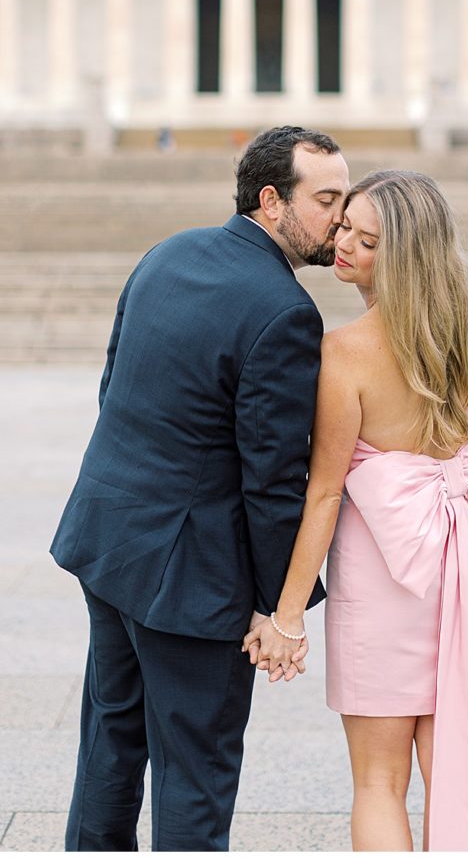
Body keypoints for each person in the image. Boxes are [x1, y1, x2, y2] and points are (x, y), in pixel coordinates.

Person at [49, 126, 351, 850]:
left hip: (109, 544)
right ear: (271, 200)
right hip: (190, 582)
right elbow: (274, 480)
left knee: (110, 746)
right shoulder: (285, 311)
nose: (340, 219)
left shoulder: (168, 252)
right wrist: (281, 610)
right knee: (196, 777)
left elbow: (113, 384)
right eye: (327, 200)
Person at [244, 170, 468, 852]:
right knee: (454, 771)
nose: (342, 245)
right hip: (461, 574)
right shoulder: (460, 346)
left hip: (384, 582)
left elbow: (325, 491)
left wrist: (286, 618)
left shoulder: (343, 353)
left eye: (366, 242)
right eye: (344, 227)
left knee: (377, 781)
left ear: (400, 257)